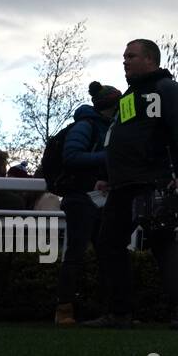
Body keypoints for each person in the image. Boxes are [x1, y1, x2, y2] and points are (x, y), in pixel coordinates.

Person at [82, 39, 178, 329]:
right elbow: (122, 139)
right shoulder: (131, 97)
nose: (125, 61)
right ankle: (120, 313)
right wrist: (108, 176)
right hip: (123, 185)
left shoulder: (167, 89)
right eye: (123, 56)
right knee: (108, 245)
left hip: (152, 183)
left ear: (150, 59)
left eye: (131, 56)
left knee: (163, 245)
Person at [54, 82, 122, 326]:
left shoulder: (95, 125)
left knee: (100, 254)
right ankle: (65, 308)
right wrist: (110, 157)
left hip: (91, 198)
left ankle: (97, 310)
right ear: (113, 106)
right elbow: (72, 157)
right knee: (78, 253)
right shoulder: (88, 126)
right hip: (81, 198)